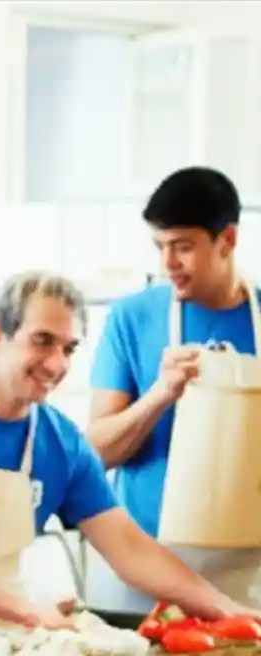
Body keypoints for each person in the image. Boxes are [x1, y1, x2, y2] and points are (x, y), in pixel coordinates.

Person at [0, 271, 251, 631]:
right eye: (43, 341)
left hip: (6, 636)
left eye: (68, 348)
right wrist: (29, 612)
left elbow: (130, 548)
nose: (57, 364)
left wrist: (228, 609)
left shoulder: (61, 444)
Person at [87, 167, 261, 614]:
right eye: (160, 247)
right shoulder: (131, 319)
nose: (168, 264)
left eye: (183, 247)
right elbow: (97, 452)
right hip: (144, 567)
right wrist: (160, 394)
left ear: (227, 240)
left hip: (250, 570)